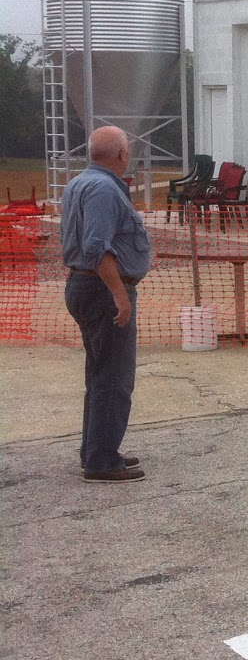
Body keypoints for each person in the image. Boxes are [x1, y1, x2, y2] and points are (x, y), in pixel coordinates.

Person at [60, 125, 152, 482]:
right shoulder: (102, 189)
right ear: (122, 155)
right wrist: (118, 295)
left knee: (100, 375)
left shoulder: (79, 182)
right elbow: (96, 246)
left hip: (84, 287)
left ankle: (96, 450)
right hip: (102, 291)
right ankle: (101, 461)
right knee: (114, 379)